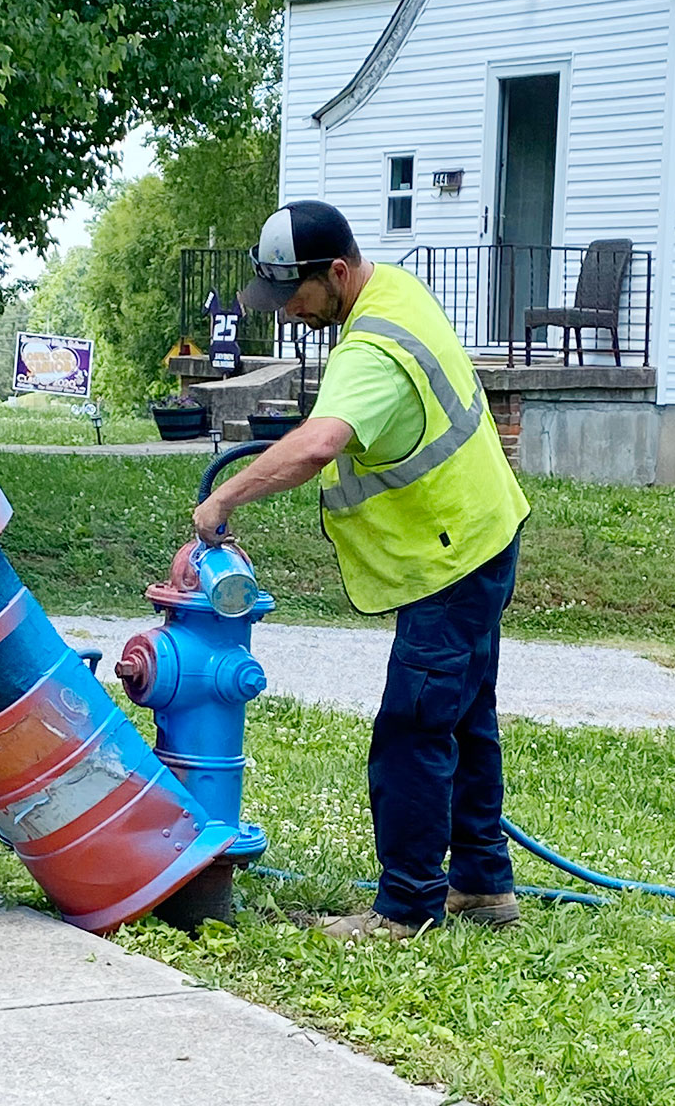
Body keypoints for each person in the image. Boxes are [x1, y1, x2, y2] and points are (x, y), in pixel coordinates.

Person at [193, 201, 531, 941]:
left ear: (337, 272)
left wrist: (222, 498)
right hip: (482, 532)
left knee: (413, 727)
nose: (286, 312)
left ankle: (406, 907)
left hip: (449, 555)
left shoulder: (369, 353)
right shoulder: (397, 290)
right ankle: (481, 883)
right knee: (466, 716)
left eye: (295, 295)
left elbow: (319, 445)